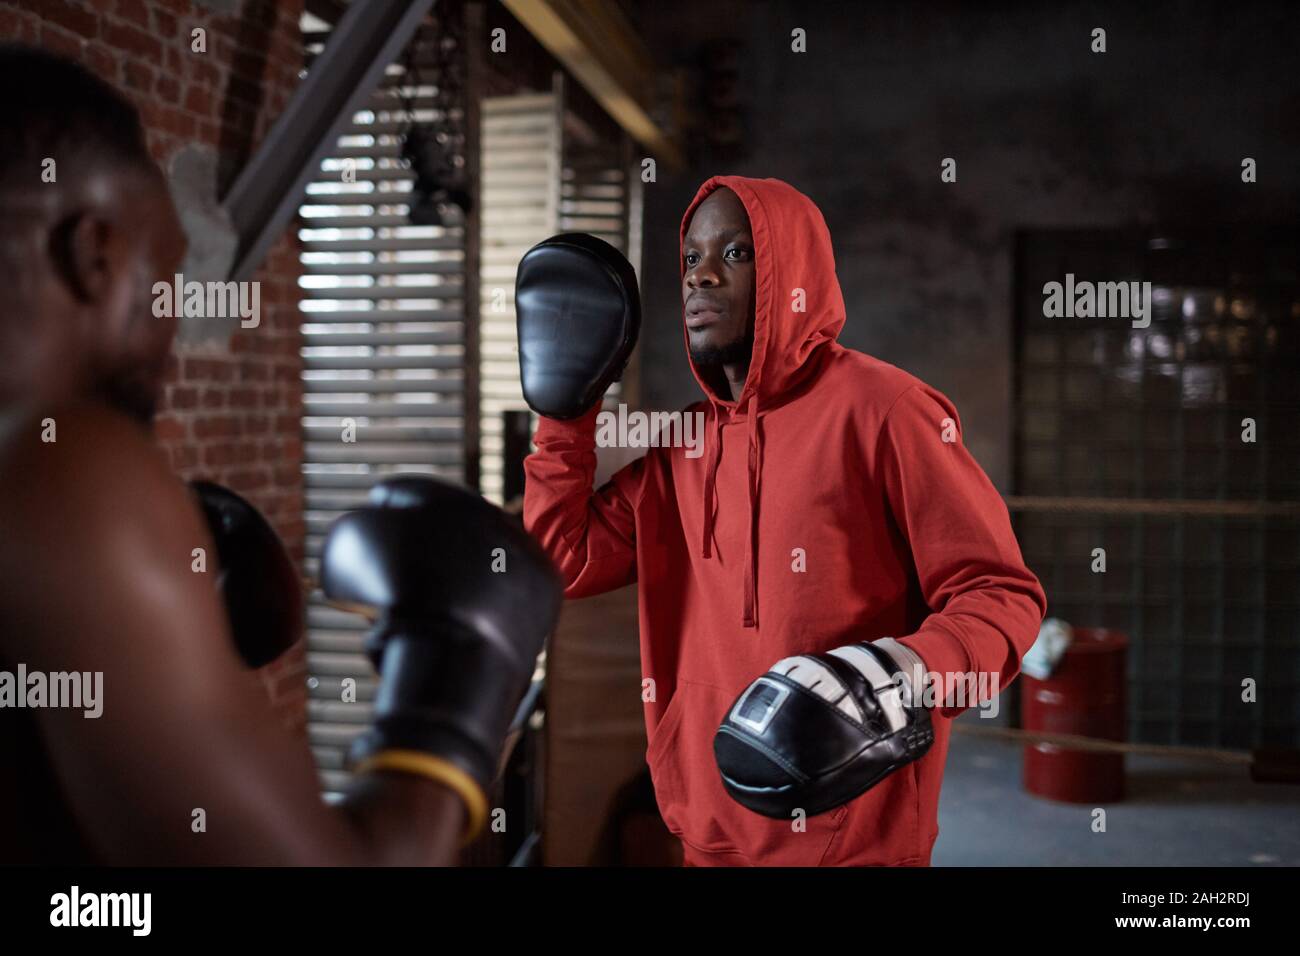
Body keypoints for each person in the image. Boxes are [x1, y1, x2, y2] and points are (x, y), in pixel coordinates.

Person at [0, 44, 550, 865]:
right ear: (94, 252)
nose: (170, 341)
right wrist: (454, 689)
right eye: (166, 284)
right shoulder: (68, 468)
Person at [523, 175, 1047, 866]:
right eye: (690, 259)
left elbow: (1003, 599)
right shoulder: (685, 444)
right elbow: (562, 561)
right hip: (708, 829)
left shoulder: (888, 412)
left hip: (850, 843)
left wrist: (903, 675)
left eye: (735, 254)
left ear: (790, 273)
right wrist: (563, 415)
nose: (701, 275)